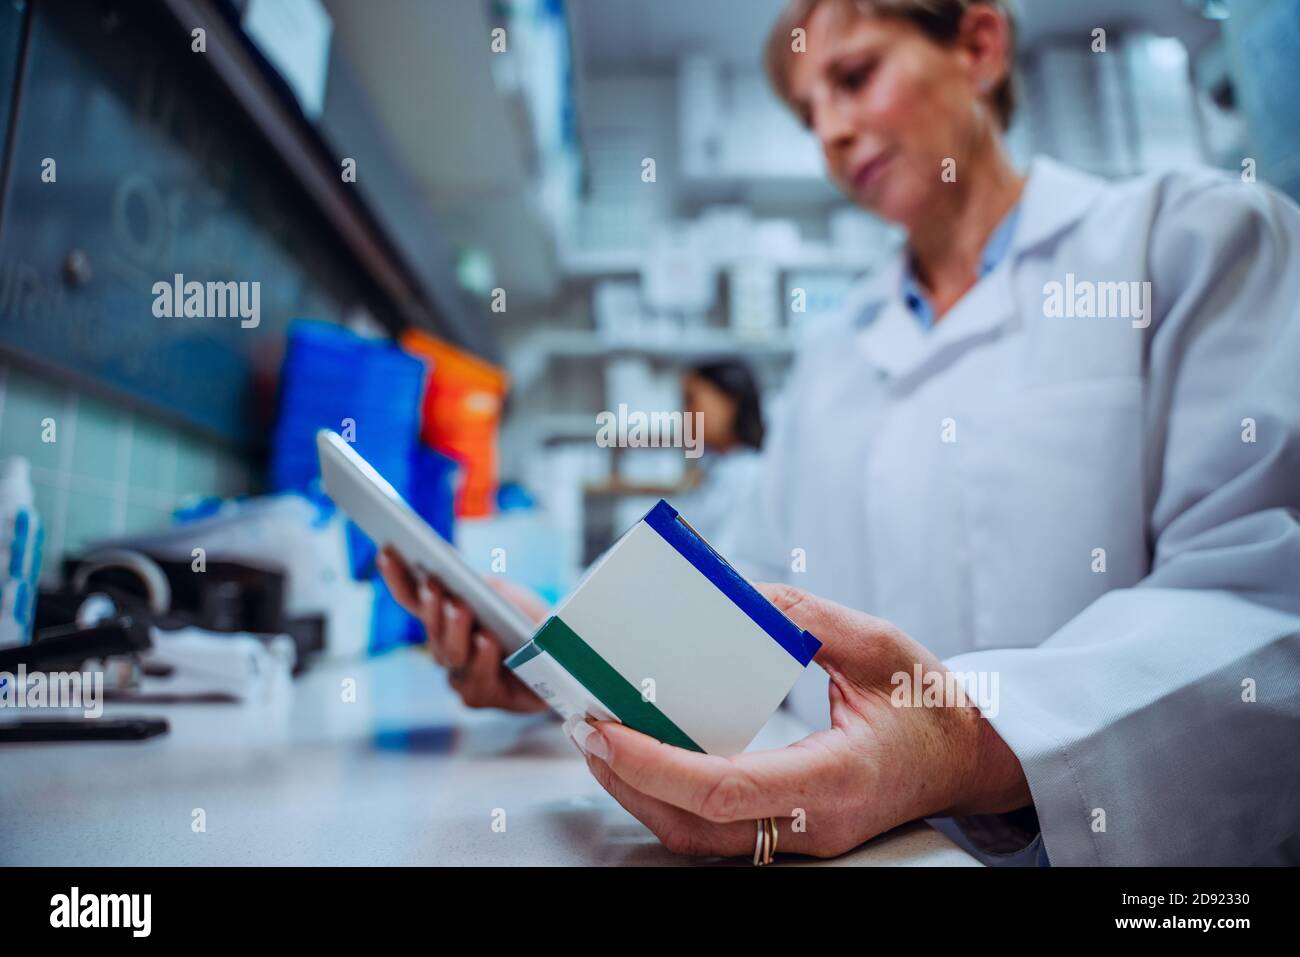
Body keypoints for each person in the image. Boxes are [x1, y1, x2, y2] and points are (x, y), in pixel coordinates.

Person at [381, 0, 1300, 866]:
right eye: (807, 108)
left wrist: (971, 745)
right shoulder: (830, 356)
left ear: (978, 45)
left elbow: (1264, 609)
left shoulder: (1190, 241)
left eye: (853, 78)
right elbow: (746, 612)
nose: (828, 129)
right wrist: (572, 667)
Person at [672, 360, 766, 553]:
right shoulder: (716, 469)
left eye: (691, 400)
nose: (684, 414)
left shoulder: (750, 476)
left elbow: (725, 560)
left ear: (730, 401)